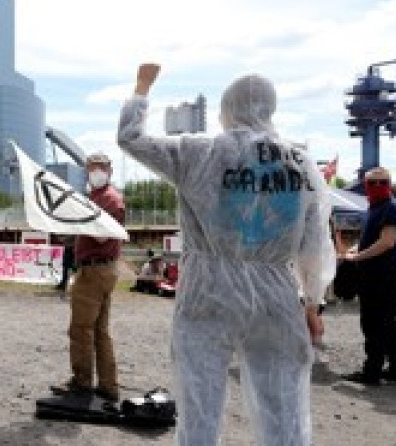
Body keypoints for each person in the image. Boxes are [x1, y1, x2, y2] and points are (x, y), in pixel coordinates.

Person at [118, 63, 333, 446]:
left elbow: (131, 139)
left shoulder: (199, 151)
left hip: (209, 289)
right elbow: (314, 244)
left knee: (199, 407)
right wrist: (313, 303)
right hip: (275, 292)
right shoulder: (300, 164)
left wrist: (142, 87)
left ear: (227, 108)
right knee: (284, 409)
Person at [53, 151, 126, 401]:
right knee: (99, 330)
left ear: (109, 171)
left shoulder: (109, 199)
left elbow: (102, 236)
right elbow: (90, 232)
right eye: (92, 168)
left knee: (81, 329)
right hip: (100, 268)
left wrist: (78, 220)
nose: (95, 173)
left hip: (95, 270)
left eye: (100, 168)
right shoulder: (98, 198)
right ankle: (107, 384)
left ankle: (82, 383)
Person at [339, 166, 396, 386]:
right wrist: (352, 252)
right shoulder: (374, 208)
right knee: (386, 323)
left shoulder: (391, 208)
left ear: (390, 184)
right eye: (373, 183)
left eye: (383, 182)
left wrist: (358, 257)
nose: (378, 186)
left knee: (373, 323)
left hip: (383, 274)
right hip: (376, 273)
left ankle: (372, 371)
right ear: (366, 185)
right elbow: (370, 240)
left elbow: (387, 242)